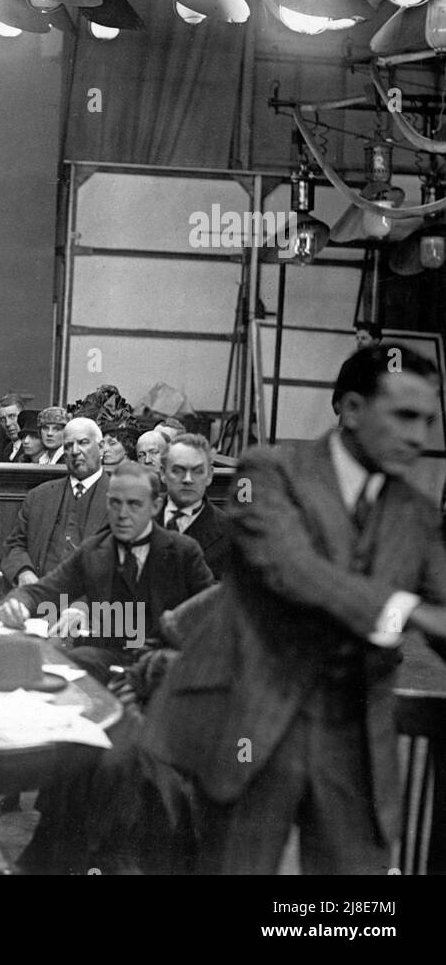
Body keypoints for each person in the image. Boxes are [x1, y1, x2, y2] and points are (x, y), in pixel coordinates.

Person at [143, 345, 446, 874]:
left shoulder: (415, 514)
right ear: (351, 409)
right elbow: (291, 571)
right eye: (403, 415)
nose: (419, 438)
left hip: (356, 748)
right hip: (251, 727)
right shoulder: (268, 473)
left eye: (427, 420)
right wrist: (406, 610)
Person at [2, 463, 215, 873]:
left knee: (114, 756)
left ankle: (107, 859)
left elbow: (212, 622)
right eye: (114, 503)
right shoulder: (96, 550)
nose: (121, 514)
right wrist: (21, 602)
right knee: (73, 709)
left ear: (156, 505)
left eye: (134, 504)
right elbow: (47, 588)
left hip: (163, 675)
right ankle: (50, 856)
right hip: (108, 664)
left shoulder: (183, 553)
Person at [0, 417, 109, 599]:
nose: (75, 451)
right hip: (39, 600)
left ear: (102, 447)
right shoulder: (39, 496)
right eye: (68, 446)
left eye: (83, 443)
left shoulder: (119, 499)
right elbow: (14, 544)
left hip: (93, 609)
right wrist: (24, 572)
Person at [159, 432, 229, 578]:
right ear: (163, 473)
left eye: (197, 471)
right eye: (178, 471)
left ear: (209, 475)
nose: (188, 479)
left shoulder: (229, 534)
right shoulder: (139, 516)